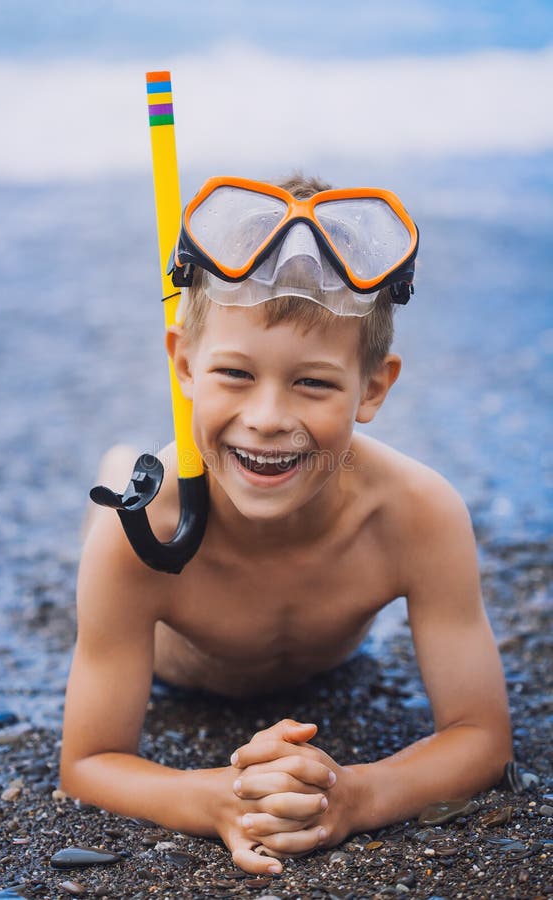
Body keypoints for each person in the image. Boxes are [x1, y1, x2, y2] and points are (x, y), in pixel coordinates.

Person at [60, 173, 512, 876]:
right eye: (235, 374)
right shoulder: (139, 534)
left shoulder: (418, 516)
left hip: (324, 664)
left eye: (313, 383)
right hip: (187, 670)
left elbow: (482, 736)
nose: (268, 417)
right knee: (123, 483)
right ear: (183, 362)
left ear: (373, 387)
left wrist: (356, 795)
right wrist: (211, 797)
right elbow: (87, 761)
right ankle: (125, 457)